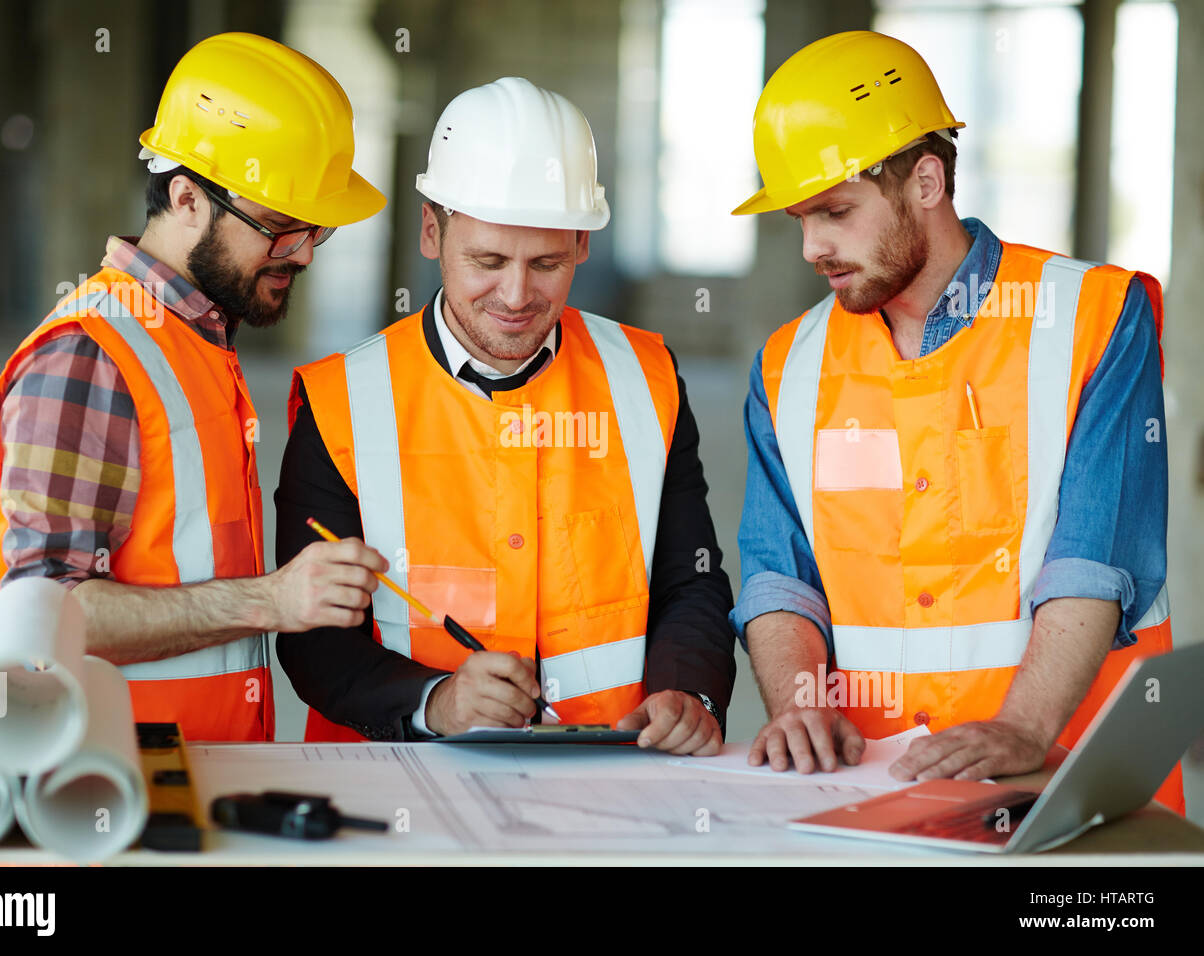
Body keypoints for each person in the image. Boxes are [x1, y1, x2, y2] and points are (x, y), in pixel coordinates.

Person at [729, 31, 1181, 810]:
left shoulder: (1094, 318)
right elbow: (780, 575)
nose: (812, 246)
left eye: (835, 211)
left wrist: (1023, 727)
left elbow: (1093, 557)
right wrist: (800, 704)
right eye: (799, 218)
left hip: (1070, 781)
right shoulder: (788, 363)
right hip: (866, 791)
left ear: (927, 181)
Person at [275, 77, 735, 754]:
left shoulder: (645, 378)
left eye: (546, 262)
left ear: (582, 243)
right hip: (403, 789)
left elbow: (690, 581)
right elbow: (315, 639)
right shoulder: (342, 401)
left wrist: (685, 692)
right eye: (487, 261)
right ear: (432, 232)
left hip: (611, 778)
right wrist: (436, 700)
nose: (516, 295)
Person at [0, 33, 388, 742]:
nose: (306, 252)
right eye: (281, 227)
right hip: (95, 804)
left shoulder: (198, 344)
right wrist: (271, 600)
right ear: (187, 198)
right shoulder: (90, 354)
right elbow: (44, 614)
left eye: (316, 228)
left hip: (182, 795)